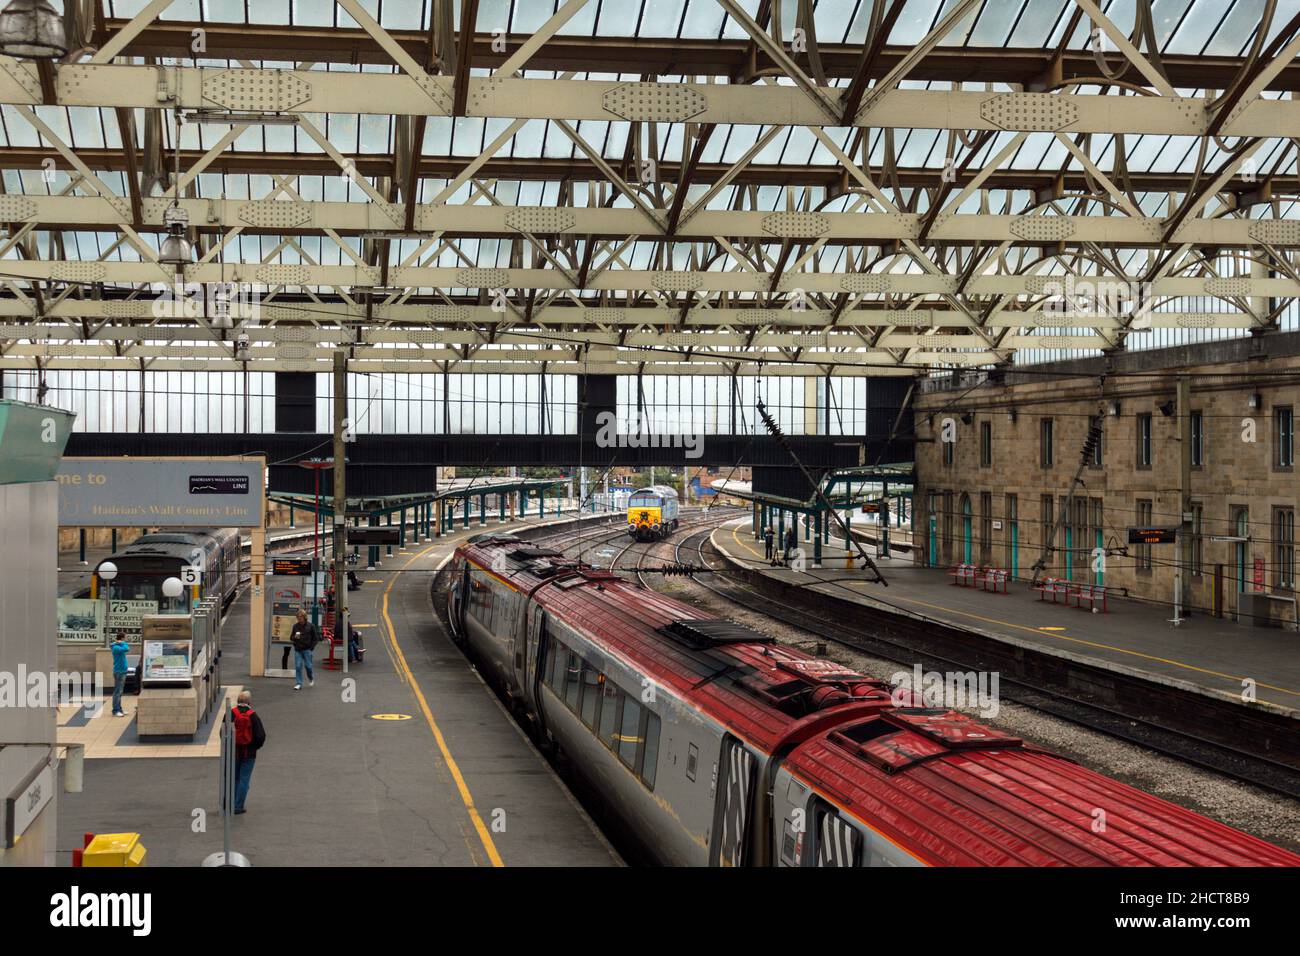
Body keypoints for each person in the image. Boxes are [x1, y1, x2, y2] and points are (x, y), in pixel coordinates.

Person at [230, 691, 266, 815]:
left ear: (237, 701)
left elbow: (222, 733)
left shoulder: (231, 713)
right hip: (249, 754)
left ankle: (229, 803)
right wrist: (254, 747)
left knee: (233, 778)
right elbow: (260, 736)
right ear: (249, 702)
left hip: (233, 752)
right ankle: (238, 806)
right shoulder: (253, 716)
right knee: (244, 779)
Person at [289, 608, 320, 690]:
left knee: (308, 666)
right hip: (298, 649)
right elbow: (291, 638)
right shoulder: (295, 626)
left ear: (304, 617)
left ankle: (311, 678)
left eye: (301, 617)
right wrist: (294, 637)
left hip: (307, 649)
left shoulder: (311, 626)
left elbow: (315, 638)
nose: (299, 619)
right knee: (298, 666)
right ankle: (299, 683)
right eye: (298, 617)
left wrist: (311, 648)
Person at [109, 633, 130, 717]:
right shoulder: (116, 647)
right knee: (117, 692)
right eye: (125, 637)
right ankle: (115, 710)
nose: (126, 639)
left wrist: (119, 642)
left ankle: (119, 709)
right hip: (119, 672)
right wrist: (120, 642)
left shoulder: (118, 646)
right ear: (122, 638)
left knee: (119, 692)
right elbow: (127, 648)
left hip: (122, 671)